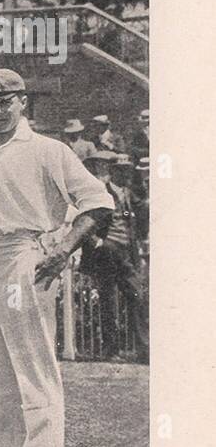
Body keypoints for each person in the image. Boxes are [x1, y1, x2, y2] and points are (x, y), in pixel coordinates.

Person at [0, 68, 113, 447]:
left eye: (5, 101)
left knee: (35, 375)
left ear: (22, 102)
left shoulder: (49, 149)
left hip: (22, 257)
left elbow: (98, 202)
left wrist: (64, 248)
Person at [80, 151, 149, 362]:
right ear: (113, 171)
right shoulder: (102, 192)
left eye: (128, 170)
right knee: (108, 301)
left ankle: (144, 349)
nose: (126, 174)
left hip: (126, 251)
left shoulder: (128, 193)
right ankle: (111, 350)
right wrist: (96, 242)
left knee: (136, 296)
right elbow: (86, 219)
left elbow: (135, 216)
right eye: (121, 170)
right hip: (107, 251)